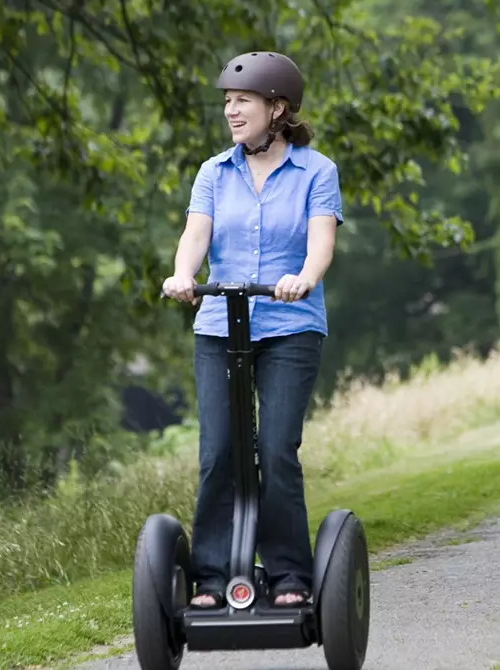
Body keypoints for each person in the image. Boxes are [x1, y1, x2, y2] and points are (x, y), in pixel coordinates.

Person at [162, 51, 343, 610]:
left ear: (277, 107)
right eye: (227, 103)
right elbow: (196, 236)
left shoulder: (317, 170)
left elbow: (321, 246)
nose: (232, 112)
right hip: (219, 327)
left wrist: (303, 278)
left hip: (290, 327)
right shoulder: (213, 172)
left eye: (242, 101)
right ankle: (212, 579)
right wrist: (183, 275)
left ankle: (289, 573)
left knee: (275, 449)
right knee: (220, 451)